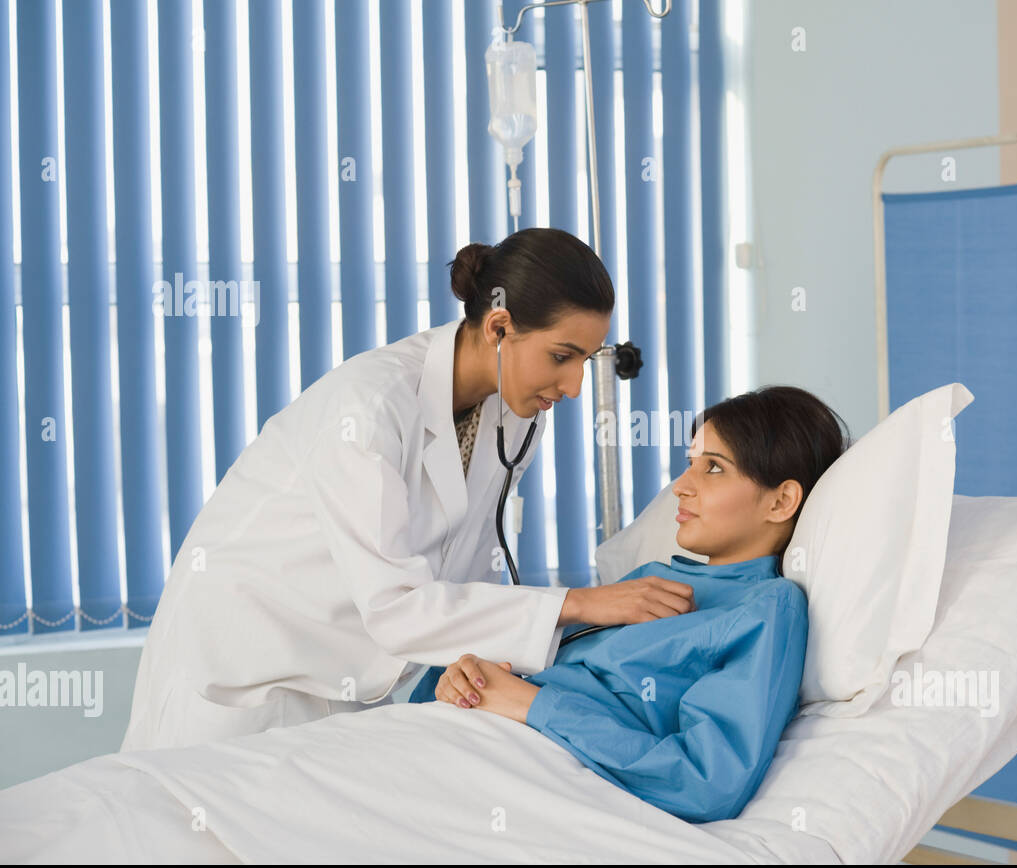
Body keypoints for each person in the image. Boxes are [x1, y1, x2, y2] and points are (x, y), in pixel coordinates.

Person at [120, 227, 696, 752]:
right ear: (499, 327)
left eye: (587, 359)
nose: (574, 386)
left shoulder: (516, 413)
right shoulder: (369, 410)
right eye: (561, 357)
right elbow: (396, 605)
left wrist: (482, 661)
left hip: (338, 674)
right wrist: (576, 603)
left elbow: (469, 563)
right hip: (240, 672)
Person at [411, 386, 850, 822]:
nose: (680, 487)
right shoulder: (649, 582)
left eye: (713, 468)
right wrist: (462, 677)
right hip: (453, 732)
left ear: (781, 501)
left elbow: (704, 782)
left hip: (534, 761)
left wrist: (528, 704)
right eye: (689, 465)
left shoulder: (766, 609)